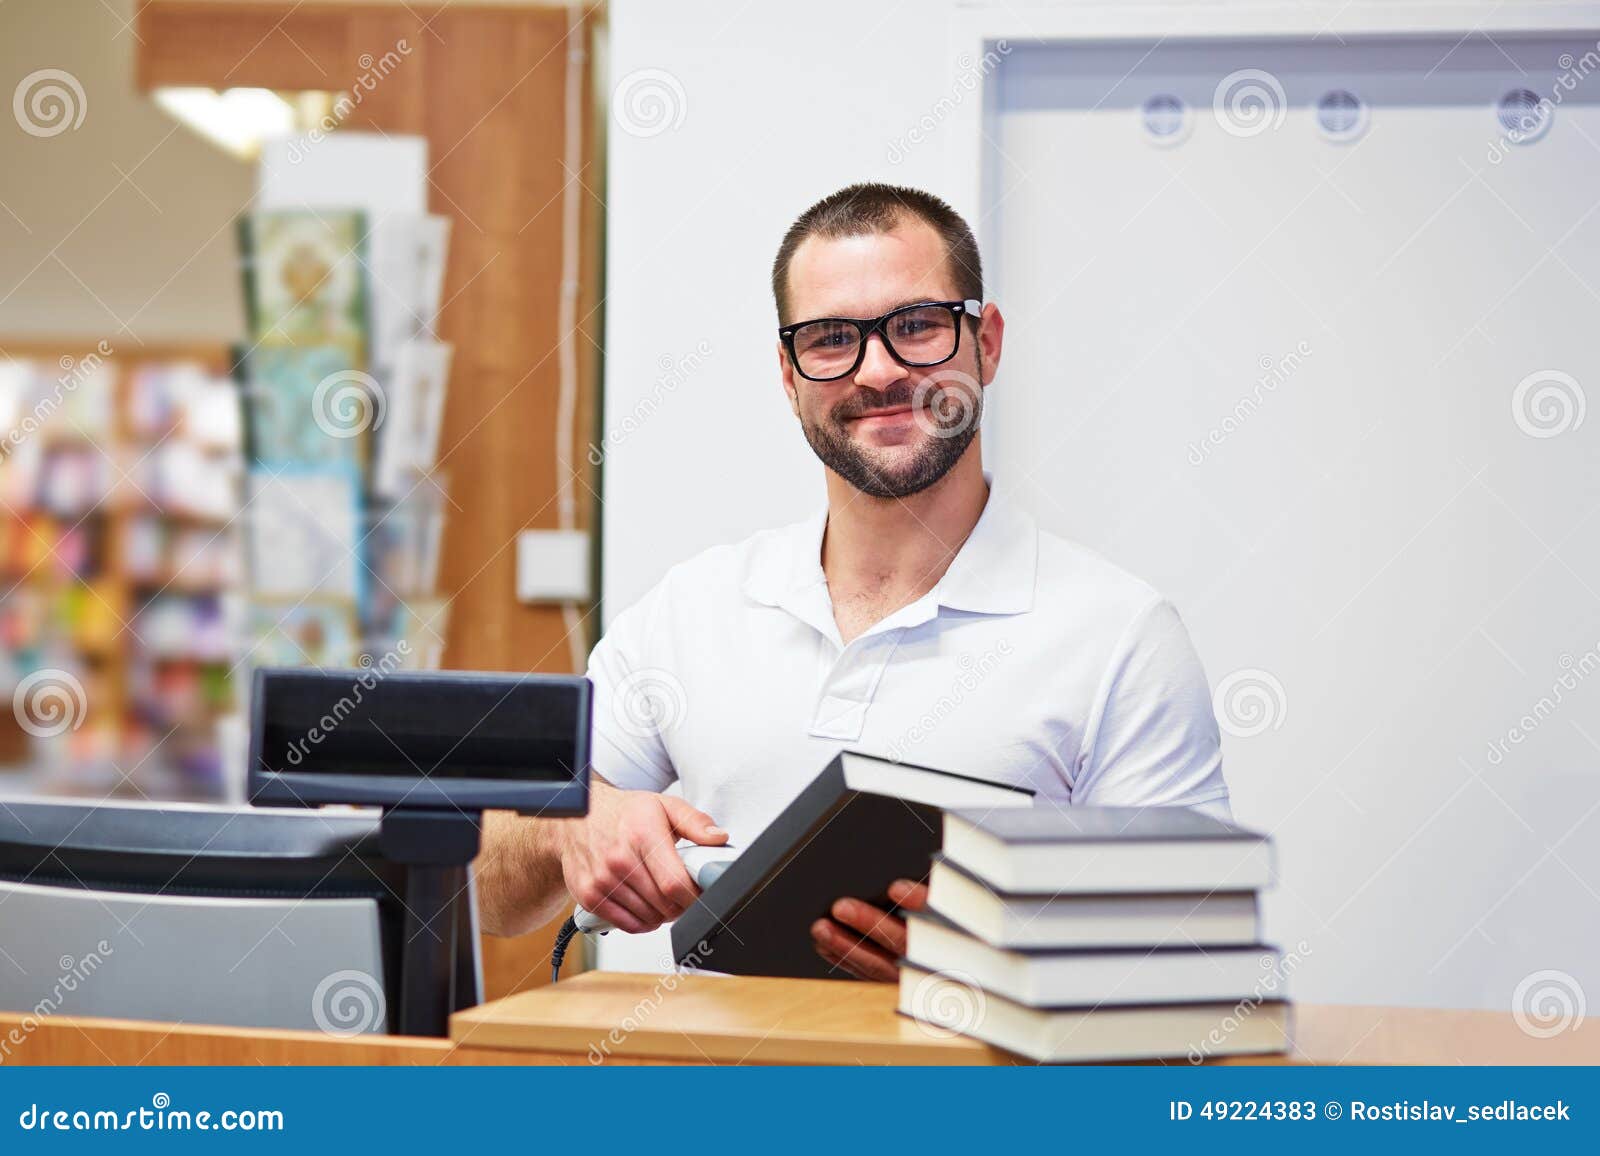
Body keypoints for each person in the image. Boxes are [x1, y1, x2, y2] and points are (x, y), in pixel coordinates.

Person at [477, 182, 1230, 981]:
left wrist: (990, 971)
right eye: (832, 338)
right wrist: (571, 826)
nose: (878, 370)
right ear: (788, 373)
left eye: (916, 326)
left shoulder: (1118, 636)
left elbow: (1196, 966)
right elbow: (491, 892)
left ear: (989, 342)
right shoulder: (691, 610)